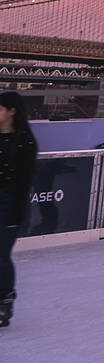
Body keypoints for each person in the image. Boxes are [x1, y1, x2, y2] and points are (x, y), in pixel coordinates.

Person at [0, 92, 38, 327]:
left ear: (11, 111)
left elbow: (25, 181)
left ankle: (4, 300)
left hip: (10, 202)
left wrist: (15, 214)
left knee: (1, 254)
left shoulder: (25, 141)